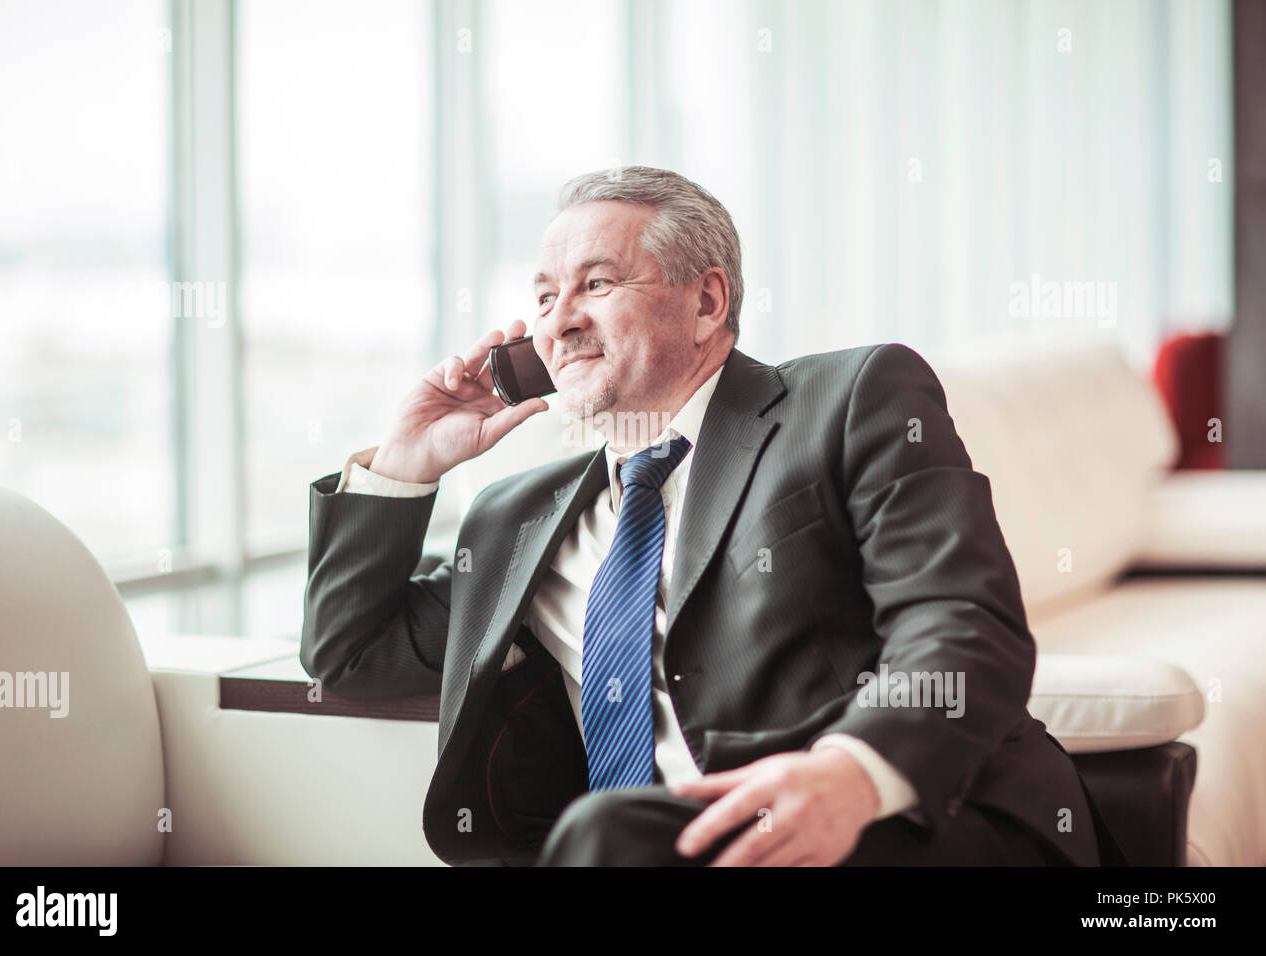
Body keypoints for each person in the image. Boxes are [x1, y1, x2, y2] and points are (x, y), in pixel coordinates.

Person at [300, 165, 1120, 867]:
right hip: (663, 845)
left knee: (607, 837)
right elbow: (349, 651)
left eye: (595, 283)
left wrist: (851, 773)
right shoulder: (515, 519)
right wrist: (405, 464)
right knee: (608, 836)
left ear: (706, 302)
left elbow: (964, 624)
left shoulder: (853, 400)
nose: (558, 319)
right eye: (544, 297)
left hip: (905, 825)